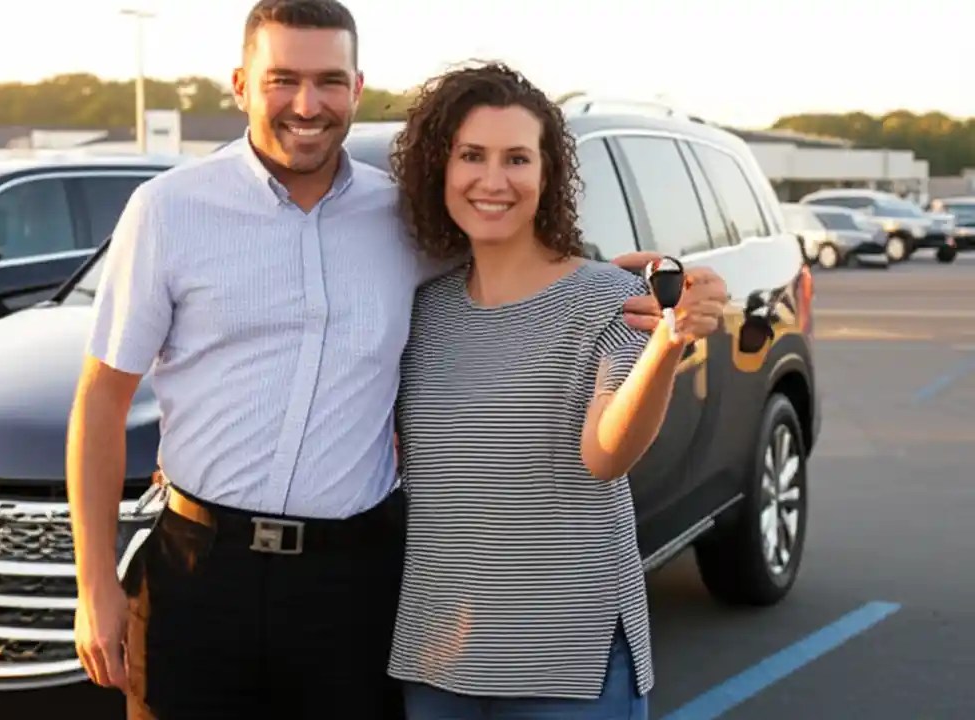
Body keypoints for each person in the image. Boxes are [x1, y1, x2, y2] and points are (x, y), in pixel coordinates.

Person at [65, 1, 720, 718]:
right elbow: (102, 398)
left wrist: (625, 280)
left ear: (357, 85)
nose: (307, 104)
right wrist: (94, 583)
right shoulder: (167, 211)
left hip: (351, 585)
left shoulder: (401, 219)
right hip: (199, 573)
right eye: (283, 78)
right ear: (241, 83)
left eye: (330, 80)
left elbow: (509, 252)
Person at [383, 63, 728, 719]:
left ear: (548, 175)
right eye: (472, 156)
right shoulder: (419, 312)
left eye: (517, 158)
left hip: (572, 663)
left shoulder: (610, 299)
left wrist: (667, 343)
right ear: (440, 170)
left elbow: (605, 453)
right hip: (437, 660)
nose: (493, 180)